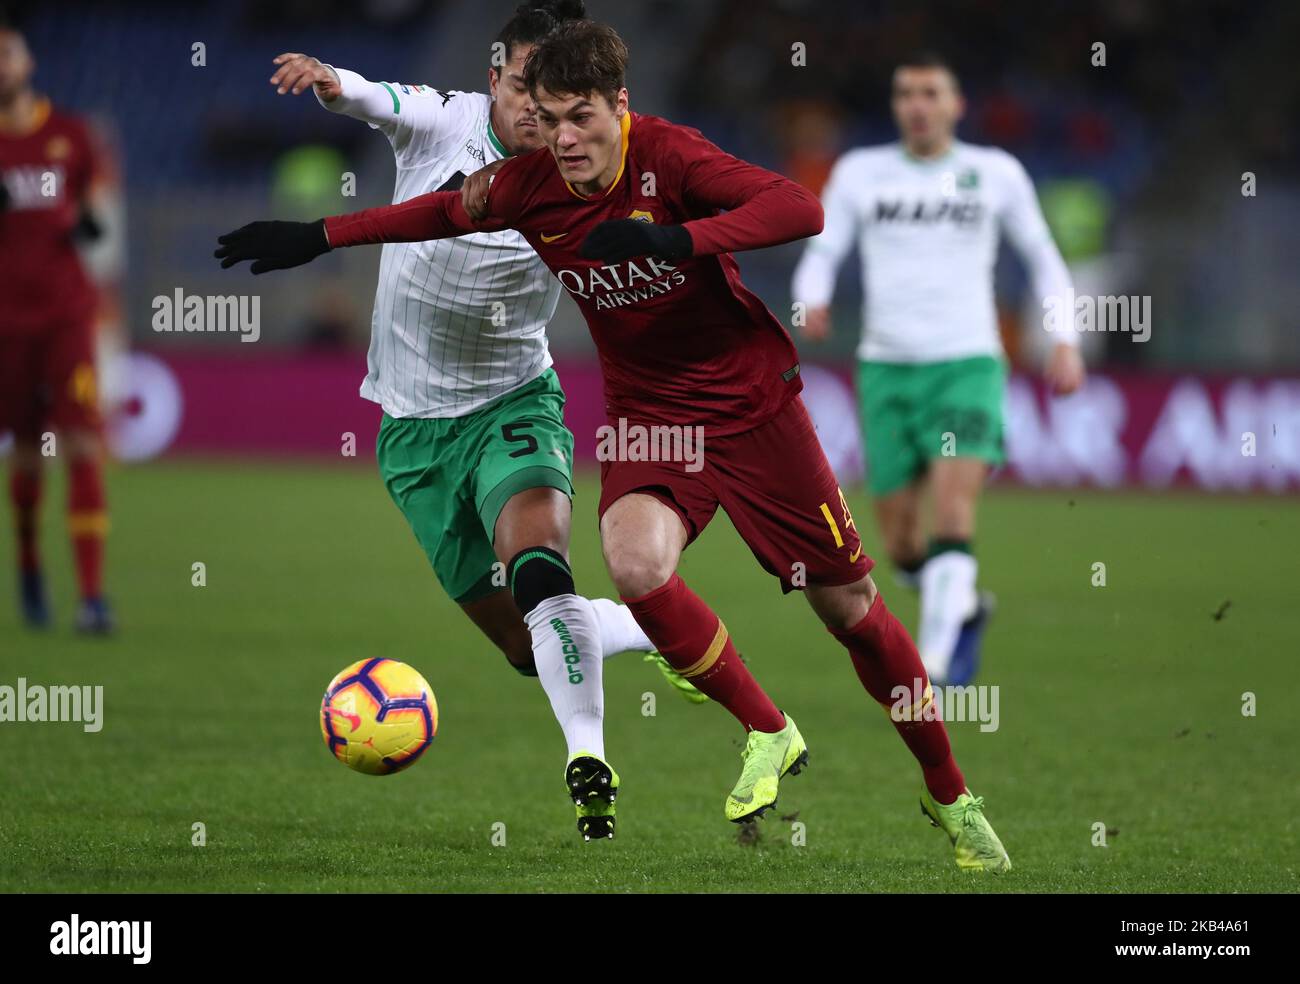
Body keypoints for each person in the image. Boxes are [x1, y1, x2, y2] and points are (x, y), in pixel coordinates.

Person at [216, 20, 1011, 871]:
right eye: (550, 117)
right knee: (633, 564)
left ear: (620, 106)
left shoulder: (671, 156)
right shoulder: (529, 184)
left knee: (849, 610)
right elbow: (440, 211)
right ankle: (767, 730)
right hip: (650, 418)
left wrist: (678, 238)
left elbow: (797, 207)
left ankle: (950, 791)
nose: (564, 139)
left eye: (582, 117)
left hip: (754, 411)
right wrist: (318, 236)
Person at [261, 0, 701, 843]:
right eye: (527, 82)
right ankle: (657, 624)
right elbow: (376, 99)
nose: (539, 105)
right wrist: (331, 82)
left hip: (514, 403)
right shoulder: (443, 125)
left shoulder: (582, 170)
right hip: (413, 432)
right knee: (523, 645)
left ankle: (588, 759)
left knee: (539, 567)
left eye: (559, 90)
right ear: (494, 77)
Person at [793, 52, 1085, 685]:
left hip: (968, 362)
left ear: (956, 106)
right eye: (905, 94)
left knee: (954, 514)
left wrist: (1064, 338)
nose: (917, 105)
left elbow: (1042, 254)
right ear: (896, 106)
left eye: (930, 93)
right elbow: (825, 245)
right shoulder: (862, 173)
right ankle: (965, 605)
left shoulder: (994, 173)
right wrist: (809, 296)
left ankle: (930, 667)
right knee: (898, 546)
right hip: (886, 368)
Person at [0, 19, 112, 633]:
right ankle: (28, 565)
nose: (1, 67)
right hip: (5, 324)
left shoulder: (70, 135)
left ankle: (92, 597)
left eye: (7, 54)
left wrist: (85, 226)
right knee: (23, 454)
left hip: (66, 315)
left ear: (28, 60)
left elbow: (94, 213)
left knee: (81, 444)